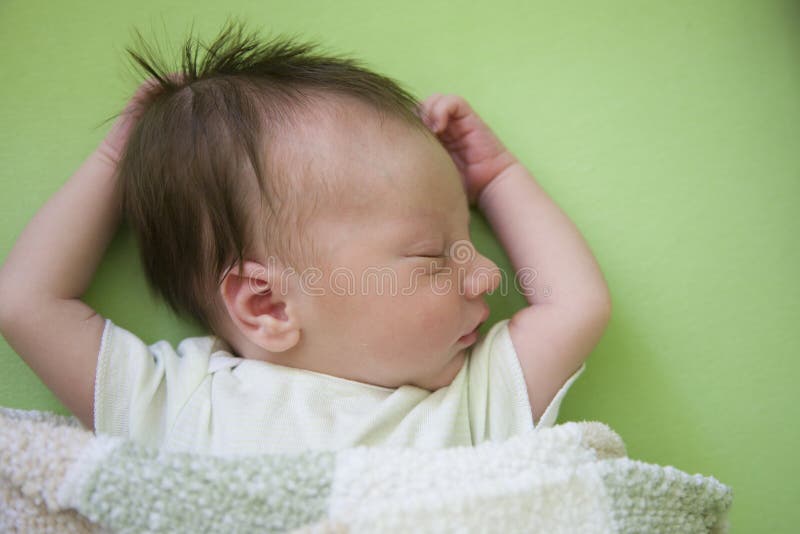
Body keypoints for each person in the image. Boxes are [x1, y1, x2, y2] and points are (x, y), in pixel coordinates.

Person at [0, 20, 612, 455]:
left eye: (466, 238)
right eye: (434, 255)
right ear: (266, 304)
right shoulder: (178, 405)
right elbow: (26, 302)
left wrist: (499, 178)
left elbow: (573, 304)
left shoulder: (471, 402)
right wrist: (118, 159)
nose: (487, 275)